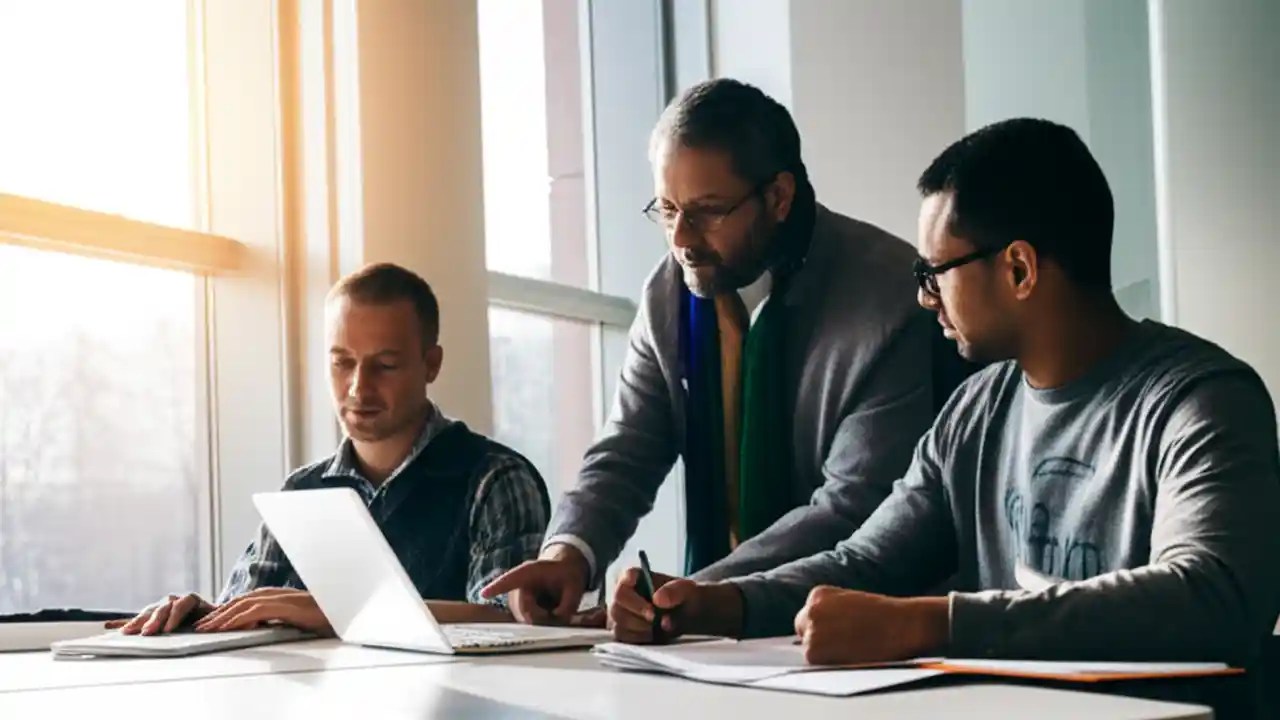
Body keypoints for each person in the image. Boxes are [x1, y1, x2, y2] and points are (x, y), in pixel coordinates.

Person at [606, 118, 1280, 667]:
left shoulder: (1202, 401)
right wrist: (710, 603)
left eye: (935, 272)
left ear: (1018, 268)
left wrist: (931, 624)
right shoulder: (976, 410)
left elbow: (1212, 593)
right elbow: (867, 562)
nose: (923, 297)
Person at [484, 78, 968, 623]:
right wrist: (568, 553)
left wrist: (691, 595)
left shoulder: (889, 299)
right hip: (714, 631)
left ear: (779, 197)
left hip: (862, 629)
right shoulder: (670, 291)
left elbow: (854, 508)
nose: (682, 240)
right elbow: (627, 452)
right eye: (667, 210)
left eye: (708, 211)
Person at [112, 263, 550, 636]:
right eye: (342, 363)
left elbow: (507, 624)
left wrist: (331, 613)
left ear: (431, 364)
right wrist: (198, 614)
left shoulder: (495, 480)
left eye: (386, 365)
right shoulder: (303, 490)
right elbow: (250, 608)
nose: (359, 387)